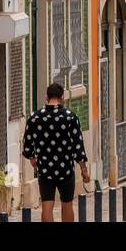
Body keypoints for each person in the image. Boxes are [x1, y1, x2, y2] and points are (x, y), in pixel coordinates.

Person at [22, 82, 91, 222]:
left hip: (45, 170)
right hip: (65, 170)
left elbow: (28, 145)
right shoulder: (70, 117)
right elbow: (78, 146)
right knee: (67, 205)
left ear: (46, 97)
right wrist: (84, 170)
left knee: (47, 207)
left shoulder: (35, 118)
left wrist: (32, 158)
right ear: (62, 97)